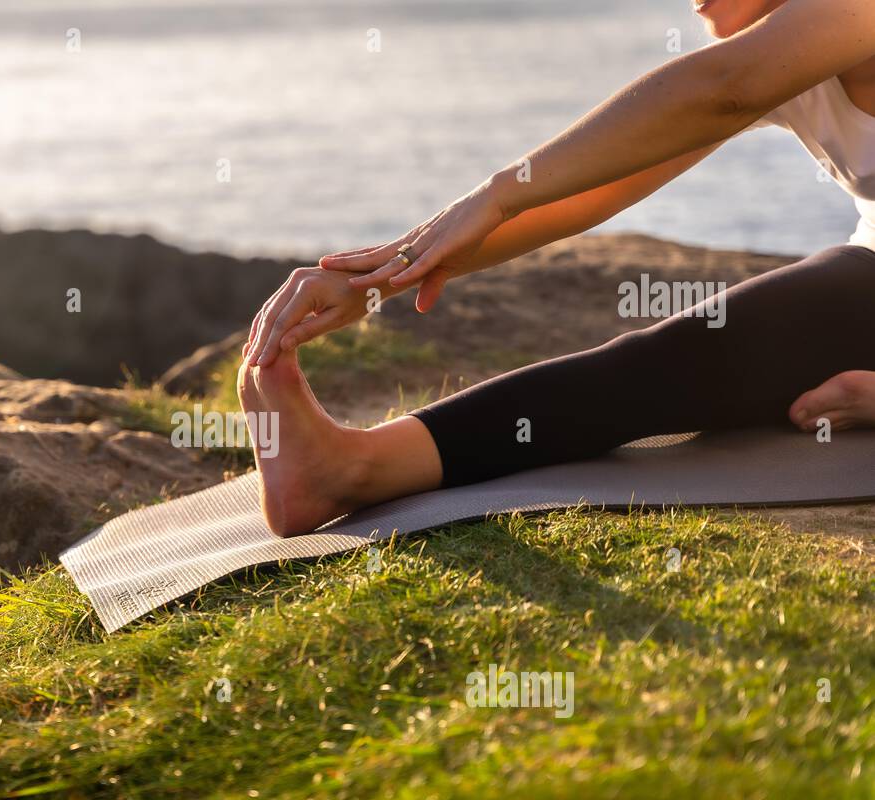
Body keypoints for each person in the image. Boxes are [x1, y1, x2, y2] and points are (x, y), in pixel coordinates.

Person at [238, 0, 875, 536]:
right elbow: (590, 188)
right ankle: (345, 469)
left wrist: (495, 193)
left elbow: (724, 88)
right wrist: (381, 276)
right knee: (687, 351)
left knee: (838, 292)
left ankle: (357, 470)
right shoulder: (781, 57)